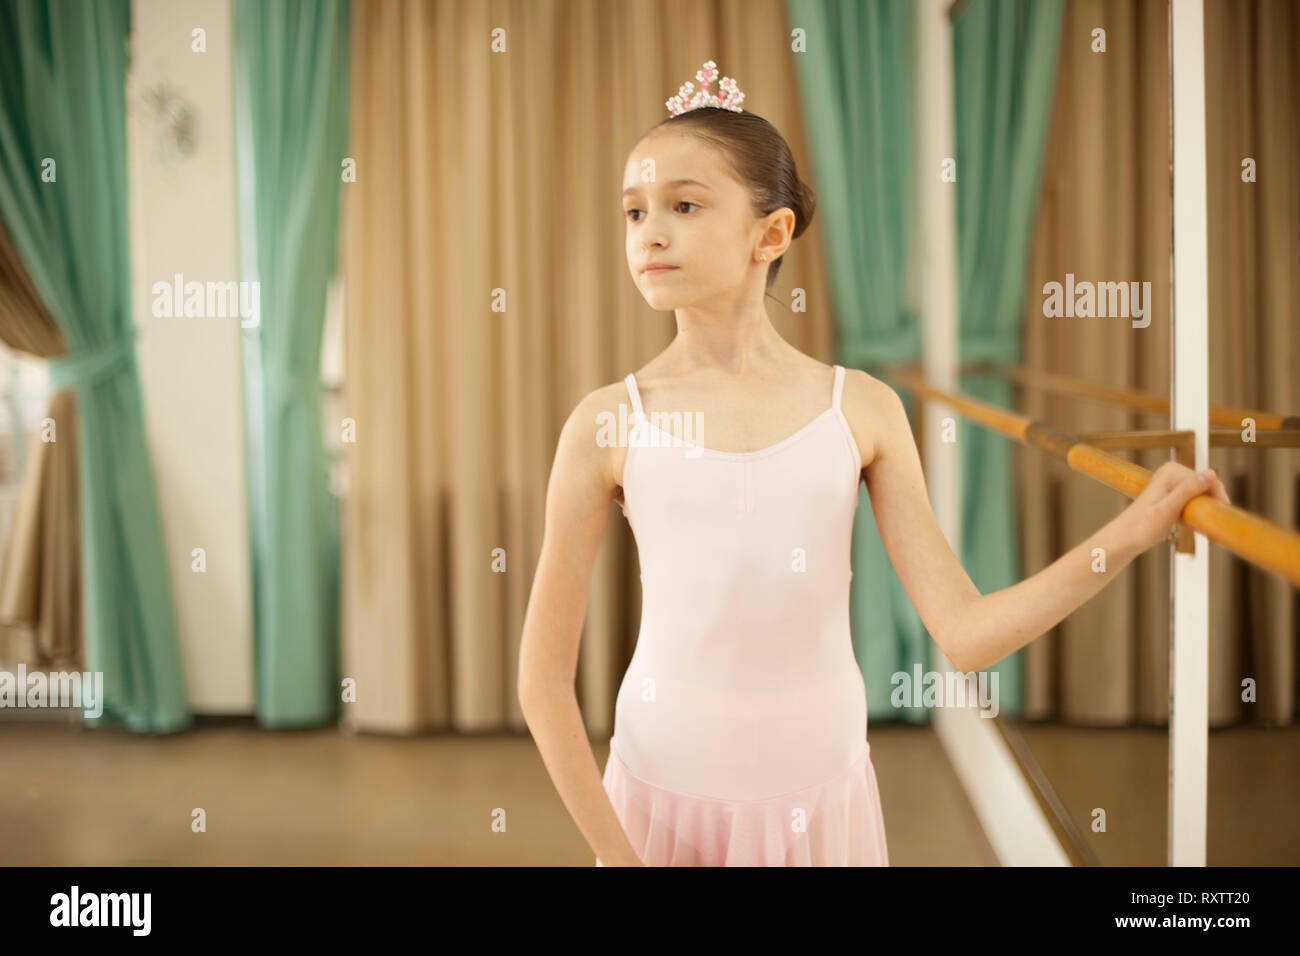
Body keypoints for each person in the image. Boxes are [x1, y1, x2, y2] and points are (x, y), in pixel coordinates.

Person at [516, 62, 1229, 867]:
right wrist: (621, 857)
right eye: (634, 211)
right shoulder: (607, 422)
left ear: (771, 233)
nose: (649, 233)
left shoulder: (860, 410)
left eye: (683, 206)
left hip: (820, 804)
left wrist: (1133, 531)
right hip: (656, 807)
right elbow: (543, 683)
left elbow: (965, 634)